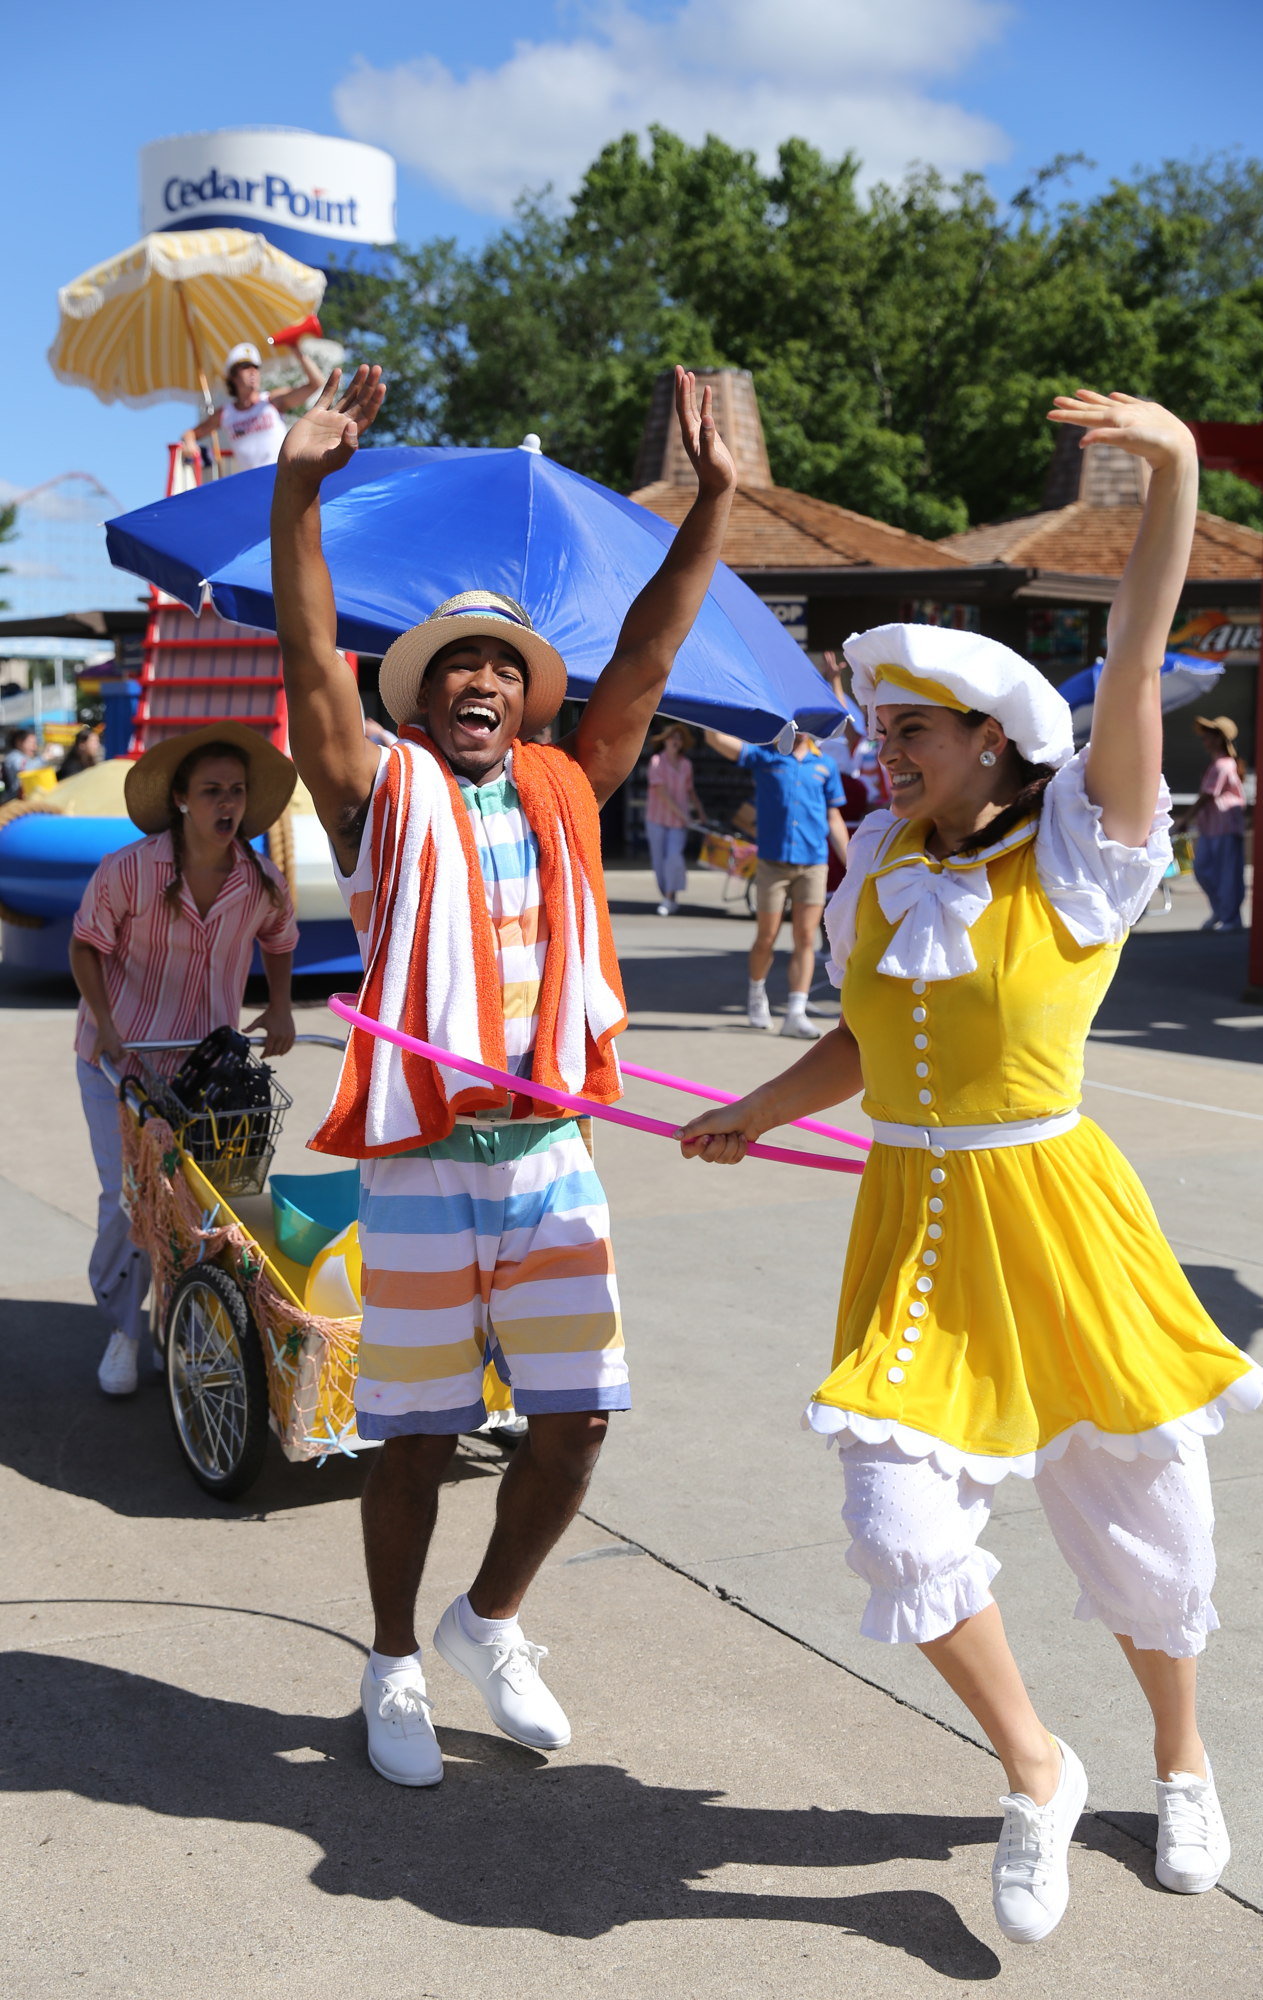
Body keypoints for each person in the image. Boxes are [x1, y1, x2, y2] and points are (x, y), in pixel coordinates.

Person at [679, 391, 1260, 1946]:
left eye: (910, 731)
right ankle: (1036, 1765)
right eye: (879, 730)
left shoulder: (1081, 844)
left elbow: (1134, 654)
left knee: (1146, 1512)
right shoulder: (880, 866)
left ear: (992, 740)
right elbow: (867, 1052)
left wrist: (1178, 469)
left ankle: (1183, 1762)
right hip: (914, 1222)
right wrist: (760, 1107)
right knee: (891, 1521)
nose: (885, 752)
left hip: (1056, 1216)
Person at [271, 359, 736, 1789]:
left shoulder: (563, 785)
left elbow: (647, 664)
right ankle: (394, 1661)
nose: (479, 679)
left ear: (529, 703)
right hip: (418, 1159)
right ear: (423, 696)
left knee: (576, 1420)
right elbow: (307, 668)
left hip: (547, 1155)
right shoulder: (379, 791)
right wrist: (301, 489)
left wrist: (711, 507)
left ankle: (492, 1622)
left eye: (502, 667)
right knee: (409, 1440)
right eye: (455, 664)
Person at [69, 721, 299, 1399]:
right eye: (209, 791)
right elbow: (86, 945)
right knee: (130, 1200)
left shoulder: (259, 878)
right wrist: (107, 1024)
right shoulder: (130, 870)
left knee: (210, 1204)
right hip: (120, 1061)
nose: (224, 803)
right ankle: (124, 1331)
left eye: (234, 791)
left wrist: (280, 1006)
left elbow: (279, 938)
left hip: (208, 1069)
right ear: (179, 799)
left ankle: (193, 1316)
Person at [703, 723, 849, 1037]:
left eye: (805, 726)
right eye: (794, 725)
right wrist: (713, 716)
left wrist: (854, 864)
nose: (799, 732)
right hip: (772, 864)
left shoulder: (825, 764)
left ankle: (796, 1011)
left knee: (805, 938)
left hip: (813, 864)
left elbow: (834, 817)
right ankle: (757, 993)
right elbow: (716, 739)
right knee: (766, 937)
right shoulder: (766, 756)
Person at [181, 340, 325, 474]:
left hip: (284, 478)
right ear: (234, 377)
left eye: (255, 367)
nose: (253, 372)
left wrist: (298, 353)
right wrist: (189, 442)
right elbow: (190, 433)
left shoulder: (272, 401)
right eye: (245, 367)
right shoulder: (225, 414)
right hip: (254, 487)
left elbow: (316, 383)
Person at [1181, 715, 1246, 932]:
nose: (1204, 739)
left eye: (1208, 734)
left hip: (1225, 825)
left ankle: (1230, 917)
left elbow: (1206, 795)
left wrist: (1185, 818)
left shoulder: (1222, 765)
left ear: (1218, 739)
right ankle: (1221, 910)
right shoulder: (1217, 764)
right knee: (1202, 869)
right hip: (1211, 826)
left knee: (1227, 873)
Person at [645, 721, 703, 914]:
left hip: (678, 822)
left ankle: (669, 897)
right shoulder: (656, 762)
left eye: (679, 738)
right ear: (665, 740)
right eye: (672, 737)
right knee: (659, 862)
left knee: (673, 857)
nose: (675, 741)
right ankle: (668, 894)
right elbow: (662, 794)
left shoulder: (686, 764)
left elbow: (691, 791)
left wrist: (701, 814)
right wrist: (685, 815)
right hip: (657, 819)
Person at [0, 727, 39, 802]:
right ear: (19, 742)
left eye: (35, 743)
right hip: (15, 801)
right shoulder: (14, 757)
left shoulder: (25, 757)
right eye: (31, 742)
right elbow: (26, 770)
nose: (34, 747)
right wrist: (44, 758)